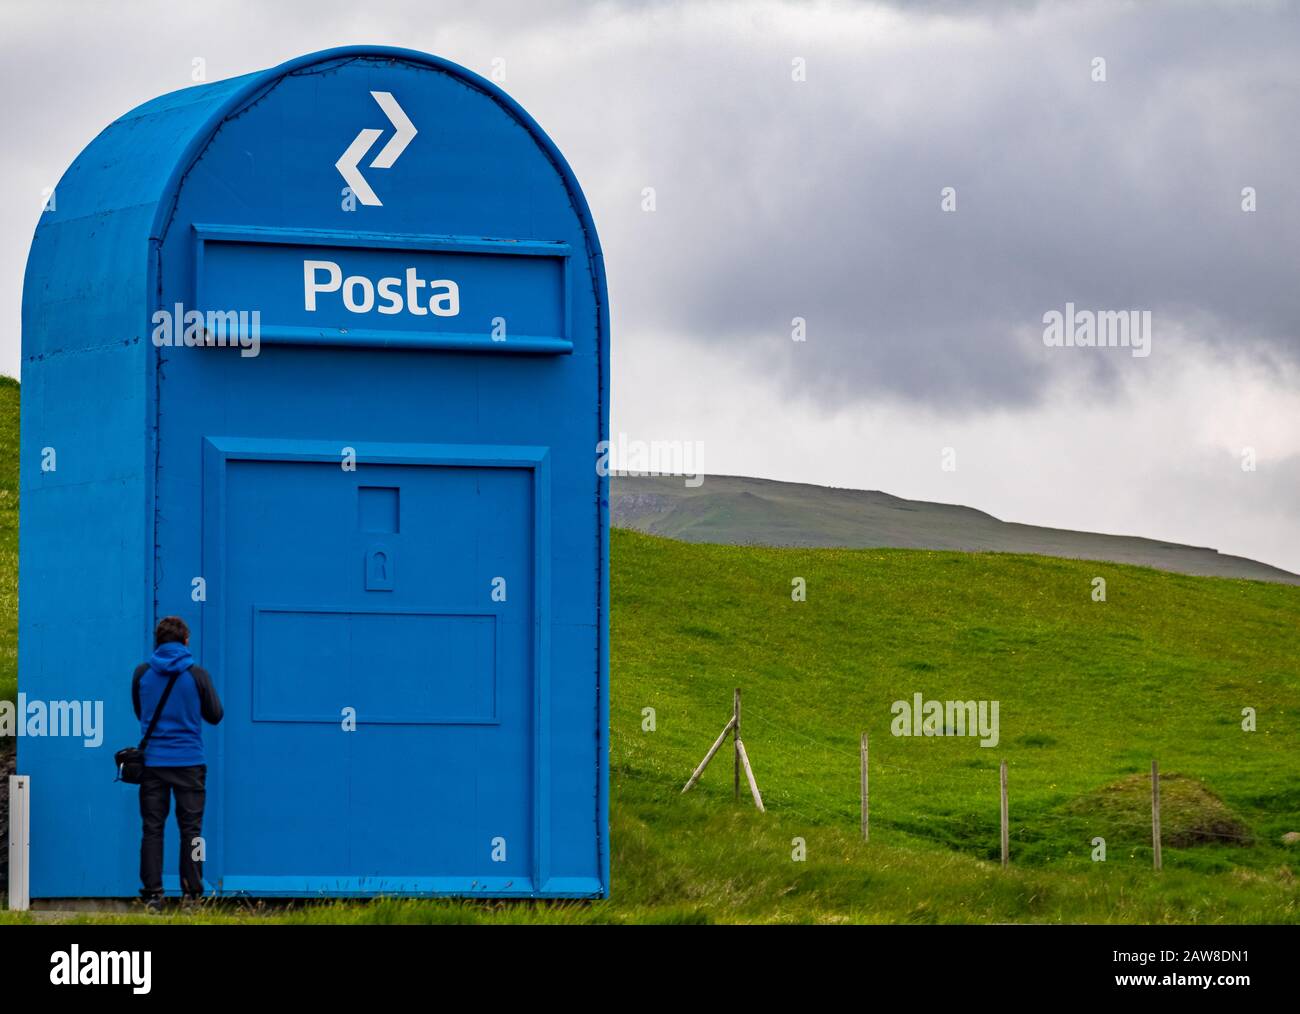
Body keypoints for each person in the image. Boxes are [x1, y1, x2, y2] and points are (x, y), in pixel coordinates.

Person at [131, 616, 223, 910]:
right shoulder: (197, 675)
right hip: (190, 763)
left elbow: (140, 712)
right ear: (185, 641)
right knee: (192, 831)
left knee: (152, 828)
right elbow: (215, 715)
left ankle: (153, 895)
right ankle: (192, 896)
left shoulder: (142, 673)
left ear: (157, 642)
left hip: (153, 763)